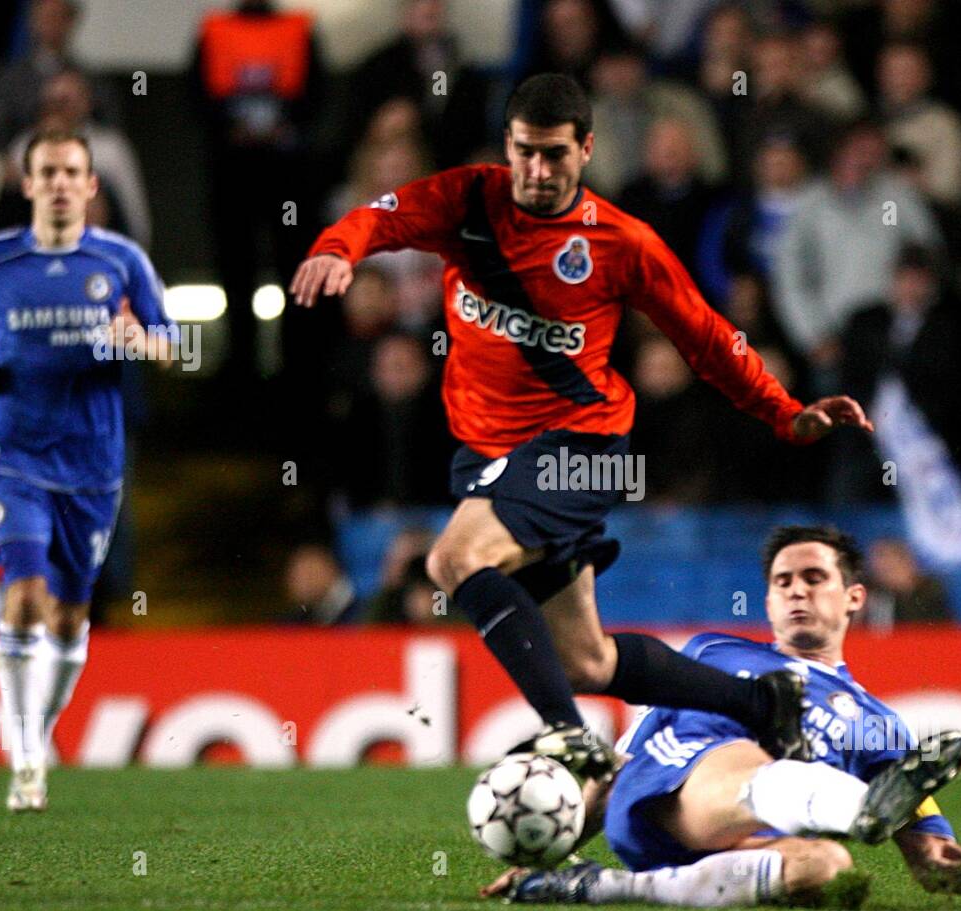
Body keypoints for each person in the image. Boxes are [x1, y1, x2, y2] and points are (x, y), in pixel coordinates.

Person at [291, 73, 874, 773]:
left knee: (451, 560)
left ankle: (567, 737)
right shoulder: (467, 199)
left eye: (555, 155)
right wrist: (335, 247)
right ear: (508, 146)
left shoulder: (621, 242)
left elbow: (708, 337)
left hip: (581, 446)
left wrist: (784, 411)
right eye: (526, 152)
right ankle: (763, 705)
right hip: (486, 457)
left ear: (587, 149)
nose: (538, 171)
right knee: (587, 661)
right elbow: (380, 217)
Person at [487, 525, 961, 908]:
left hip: (740, 851)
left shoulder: (884, 729)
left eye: (815, 579)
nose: (797, 591)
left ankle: (598, 889)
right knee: (751, 752)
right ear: (767, 603)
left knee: (829, 868)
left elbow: (934, 868)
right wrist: (550, 842)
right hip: (666, 799)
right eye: (783, 582)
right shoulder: (713, 653)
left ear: (854, 597)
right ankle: (854, 806)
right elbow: (622, 762)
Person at [0, 130, 176, 811]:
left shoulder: (122, 261)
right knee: (24, 596)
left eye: (71, 172)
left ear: (91, 185)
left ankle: (39, 732)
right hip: (12, 455)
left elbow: (176, 348)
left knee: (71, 618)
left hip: (93, 463)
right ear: (26, 185)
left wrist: (143, 340)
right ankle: (24, 759)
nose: (58, 184)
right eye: (46, 172)